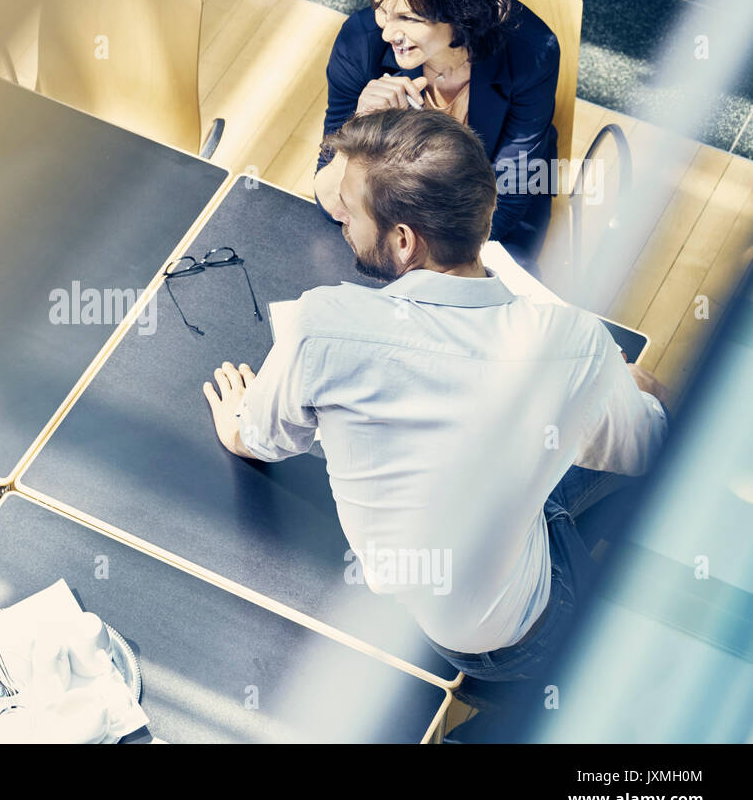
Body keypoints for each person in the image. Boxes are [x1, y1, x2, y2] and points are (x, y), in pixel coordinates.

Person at [203, 107, 669, 682]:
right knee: (641, 426)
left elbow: (257, 439)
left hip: (500, 644)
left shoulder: (320, 326)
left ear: (403, 241)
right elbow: (652, 449)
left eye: (351, 209)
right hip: (508, 626)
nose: (341, 216)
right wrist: (634, 387)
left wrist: (235, 426)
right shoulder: (572, 343)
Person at [313, 0, 559, 272]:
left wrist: (416, 261)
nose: (387, 33)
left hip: (486, 228)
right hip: (394, 223)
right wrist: (360, 124)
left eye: (408, 19)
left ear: (462, 14)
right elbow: (329, 200)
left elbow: (507, 199)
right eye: (382, 11)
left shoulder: (532, 54)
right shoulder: (359, 43)